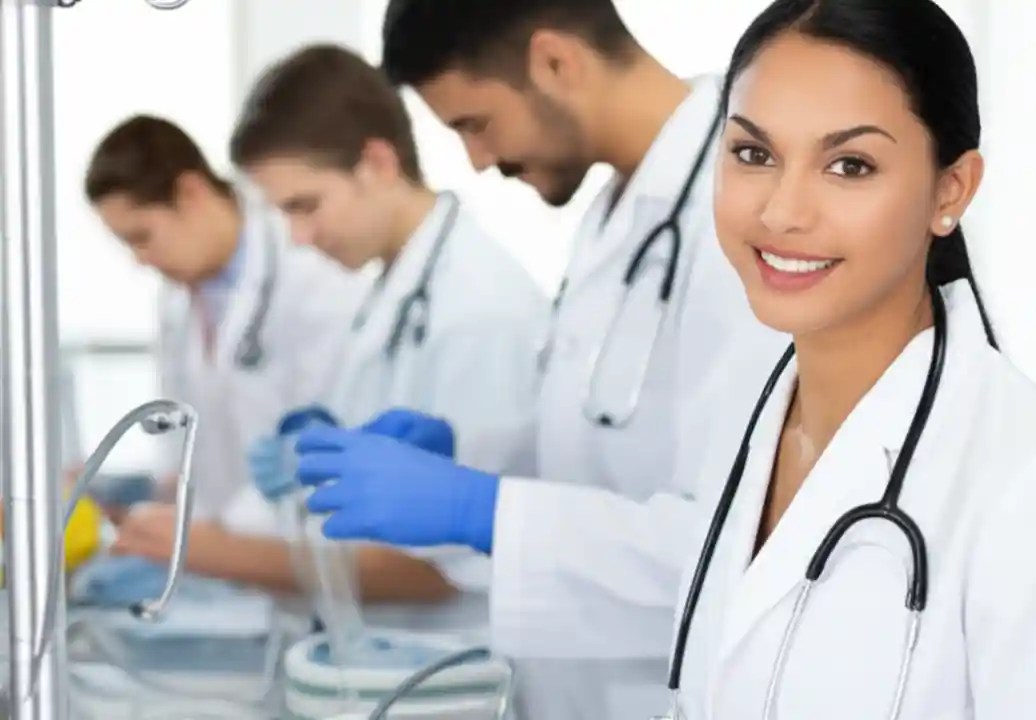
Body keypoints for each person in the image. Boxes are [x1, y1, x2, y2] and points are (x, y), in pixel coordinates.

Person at [663, 1, 1036, 717]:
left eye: (849, 165)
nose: (780, 212)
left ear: (950, 190)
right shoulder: (746, 423)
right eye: (754, 154)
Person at [284, 1, 752, 718]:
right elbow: (601, 457)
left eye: (474, 124)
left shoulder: (746, 214)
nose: (475, 161)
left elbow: (734, 545)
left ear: (555, 62)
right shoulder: (614, 214)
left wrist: (483, 508)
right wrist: (470, 464)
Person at [217, 43, 546, 631]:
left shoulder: (480, 307)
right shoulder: (393, 283)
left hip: (455, 664)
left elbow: (450, 568)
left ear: (377, 163)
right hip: (393, 657)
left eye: (305, 205)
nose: (298, 237)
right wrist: (324, 449)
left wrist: (217, 552)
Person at [81, 116, 362, 589]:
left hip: (307, 560)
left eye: (141, 236)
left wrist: (213, 539)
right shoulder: (177, 297)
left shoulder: (311, 276)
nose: (139, 260)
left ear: (190, 192)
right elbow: (181, 444)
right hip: (231, 567)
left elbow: (321, 444)